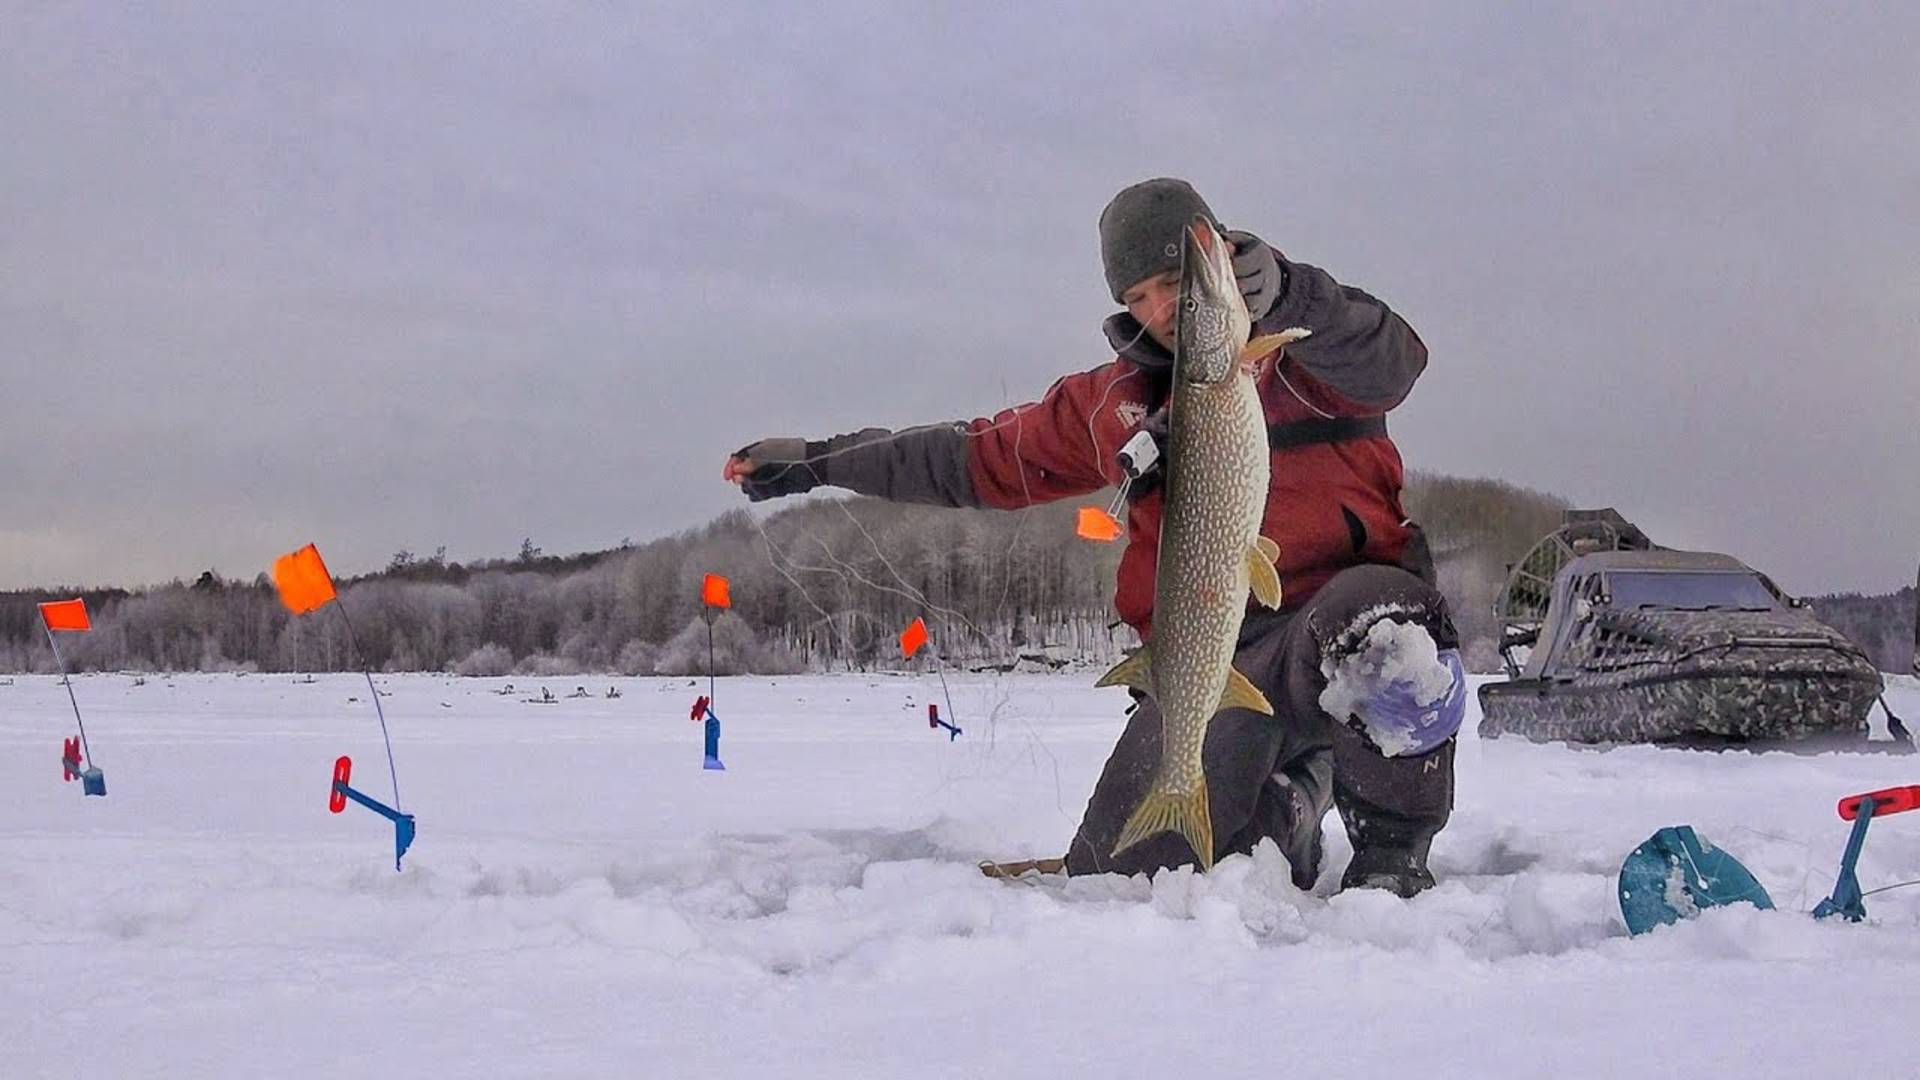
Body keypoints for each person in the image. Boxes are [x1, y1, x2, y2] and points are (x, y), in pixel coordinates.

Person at [723, 178, 1466, 896]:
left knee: (1387, 627)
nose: (1159, 310)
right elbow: (965, 456)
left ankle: (1392, 857)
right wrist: (816, 461)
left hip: (1328, 631)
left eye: (1172, 284)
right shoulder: (1112, 404)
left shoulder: (1306, 353)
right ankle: (1294, 803)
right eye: (1136, 297)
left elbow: (1393, 358)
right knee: (1136, 873)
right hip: (1205, 661)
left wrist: (1296, 289)